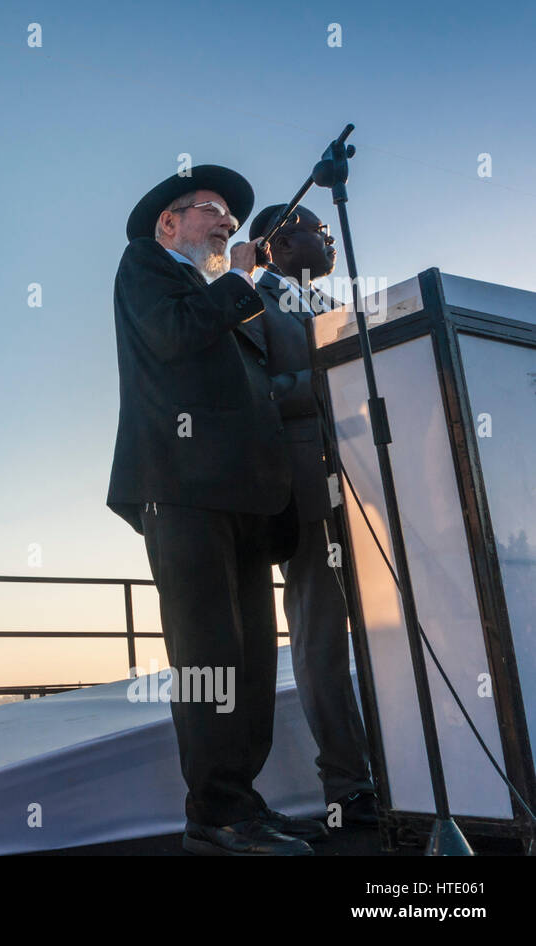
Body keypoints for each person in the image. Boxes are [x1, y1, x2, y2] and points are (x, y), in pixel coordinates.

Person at [106, 165, 326, 855]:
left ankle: (243, 802)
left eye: (233, 215)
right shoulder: (147, 266)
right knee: (209, 659)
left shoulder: (221, 295)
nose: (229, 222)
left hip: (244, 500)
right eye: (213, 209)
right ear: (170, 222)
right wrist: (236, 278)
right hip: (182, 492)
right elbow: (174, 337)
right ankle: (215, 815)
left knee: (253, 659)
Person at [247, 204, 378, 826]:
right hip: (303, 484)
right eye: (309, 227)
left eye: (328, 229)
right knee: (322, 636)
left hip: (371, 485)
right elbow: (253, 391)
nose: (325, 237)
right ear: (272, 243)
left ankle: (412, 763)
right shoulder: (249, 302)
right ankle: (349, 786)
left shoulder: (338, 307)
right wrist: (325, 381)